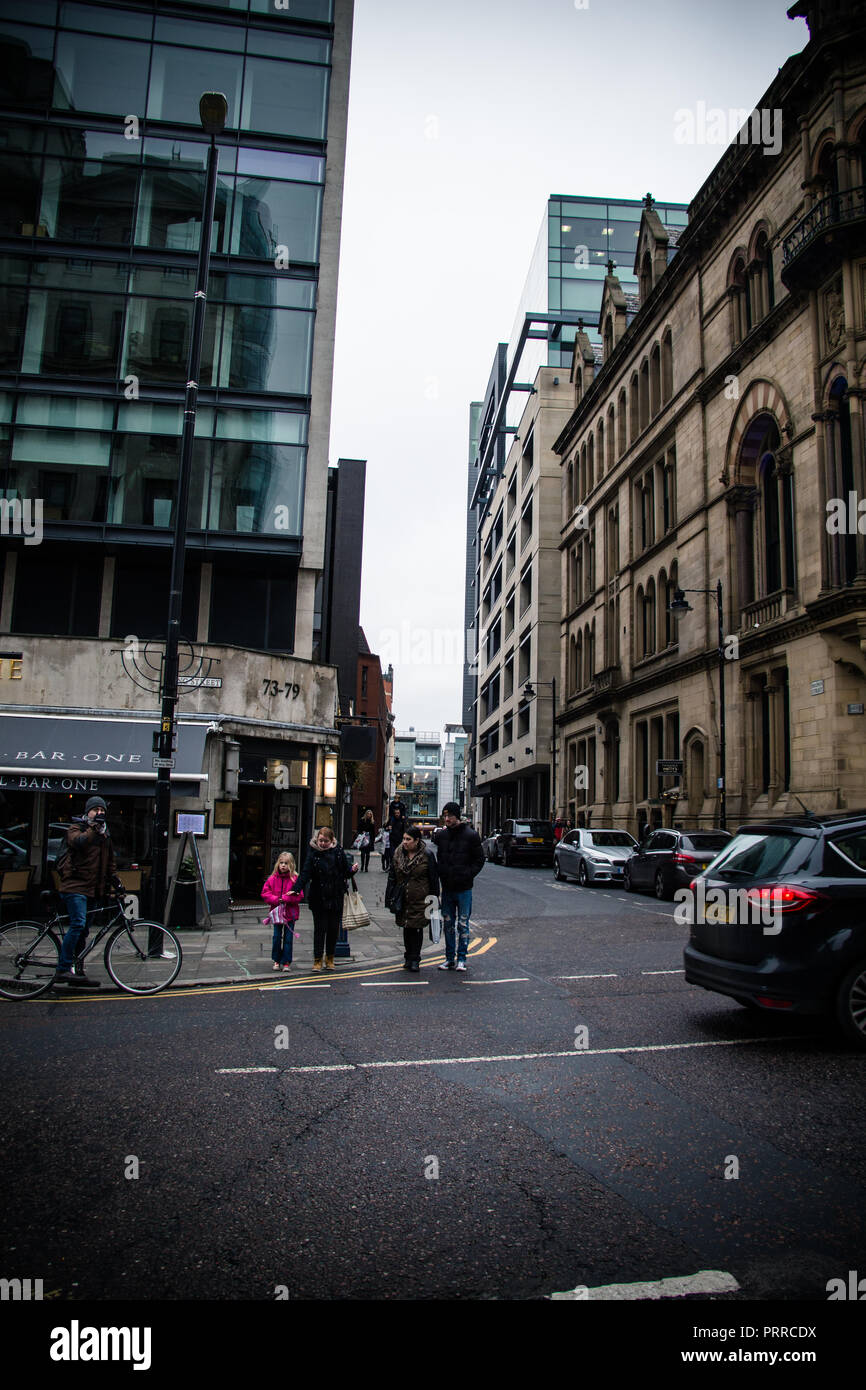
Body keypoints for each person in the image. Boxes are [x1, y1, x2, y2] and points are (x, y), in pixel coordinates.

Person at [55, 795, 119, 988]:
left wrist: (116, 882)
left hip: (93, 889)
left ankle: (78, 971)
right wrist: (94, 829)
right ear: (87, 812)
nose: (99, 813)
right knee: (77, 924)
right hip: (75, 886)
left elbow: (109, 863)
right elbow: (79, 843)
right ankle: (63, 968)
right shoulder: (77, 828)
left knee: (83, 932)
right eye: (95, 810)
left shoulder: (105, 835)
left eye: (102, 811)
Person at [289, 826, 357, 972]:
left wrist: (353, 870)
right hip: (318, 897)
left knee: (333, 930)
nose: (322, 844)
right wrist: (295, 889)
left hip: (335, 896)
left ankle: (330, 959)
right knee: (320, 930)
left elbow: (345, 871)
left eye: (325, 841)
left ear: (332, 840)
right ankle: (317, 960)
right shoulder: (313, 852)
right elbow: (305, 873)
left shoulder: (338, 852)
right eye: (320, 840)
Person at [434, 802, 484, 972]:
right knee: (448, 924)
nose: (446, 819)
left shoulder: (471, 835)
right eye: (445, 816)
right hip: (447, 888)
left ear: (457, 816)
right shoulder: (442, 836)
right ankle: (449, 959)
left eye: (450, 816)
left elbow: (479, 860)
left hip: (464, 888)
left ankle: (461, 958)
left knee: (463, 924)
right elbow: (440, 859)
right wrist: (442, 873)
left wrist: (468, 874)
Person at [385, 824, 440, 972]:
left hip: (421, 898)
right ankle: (408, 957)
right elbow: (392, 876)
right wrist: (389, 896)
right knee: (406, 927)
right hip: (403, 898)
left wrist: (435, 900)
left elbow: (434, 879)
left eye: (408, 839)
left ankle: (415, 958)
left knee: (416, 928)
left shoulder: (427, 855)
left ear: (417, 841)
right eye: (403, 839)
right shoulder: (398, 854)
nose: (405, 842)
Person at [261, 851, 303, 971]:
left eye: (286, 863)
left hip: (290, 914)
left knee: (288, 938)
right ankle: (276, 960)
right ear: (278, 864)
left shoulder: (295, 879)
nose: (283, 865)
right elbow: (265, 893)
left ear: (291, 865)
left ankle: (286, 962)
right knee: (276, 937)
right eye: (281, 863)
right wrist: (276, 900)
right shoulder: (272, 879)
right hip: (277, 913)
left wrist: (285, 898)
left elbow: (299, 895)